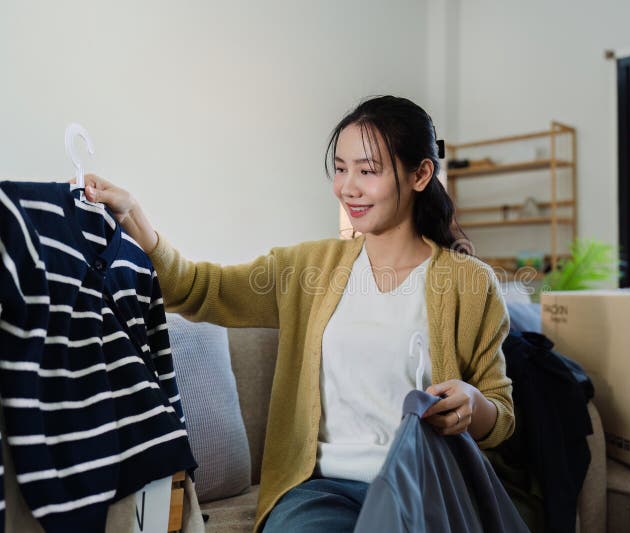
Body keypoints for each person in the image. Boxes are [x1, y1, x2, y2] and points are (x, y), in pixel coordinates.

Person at [78, 95, 514, 532]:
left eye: (367, 171)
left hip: (423, 488)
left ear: (420, 174)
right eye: (340, 169)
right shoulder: (306, 269)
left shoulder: (470, 283)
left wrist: (473, 405)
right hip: (320, 492)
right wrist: (135, 219)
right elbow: (197, 288)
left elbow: (500, 415)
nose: (348, 187)